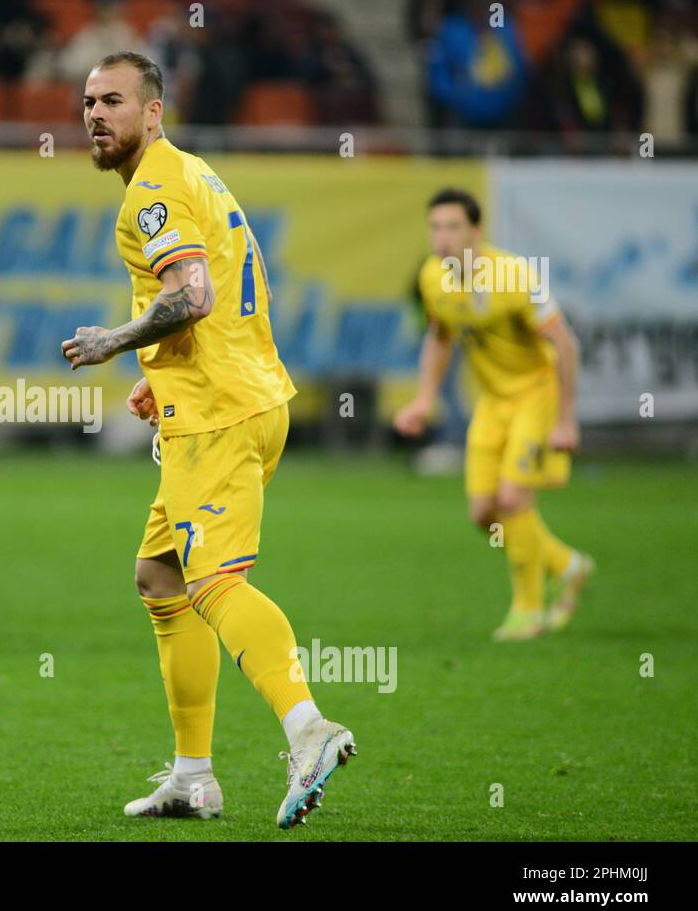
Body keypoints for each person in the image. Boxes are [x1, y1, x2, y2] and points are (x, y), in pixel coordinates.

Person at [62, 51, 355, 830]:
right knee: (161, 577)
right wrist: (162, 375)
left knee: (216, 583)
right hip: (234, 400)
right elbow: (223, 293)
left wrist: (115, 341)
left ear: (154, 111)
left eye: (114, 101)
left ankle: (309, 728)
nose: (95, 114)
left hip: (221, 418)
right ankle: (193, 778)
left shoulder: (153, 189)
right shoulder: (194, 173)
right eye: (88, 102)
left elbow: (192, 293)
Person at [394, 188, 593, 641]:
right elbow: (440, 337)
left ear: (476, 231)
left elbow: (565, 345)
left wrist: (566, 419)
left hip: (536, 396)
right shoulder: (432, 277)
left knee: (512, 501)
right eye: (435, 227)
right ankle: (567, 565)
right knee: (484, 513)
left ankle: (529, 611)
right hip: (493, 401)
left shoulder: (514, 276)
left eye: (452, 227)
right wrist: (424, 399)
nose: (442, 237)